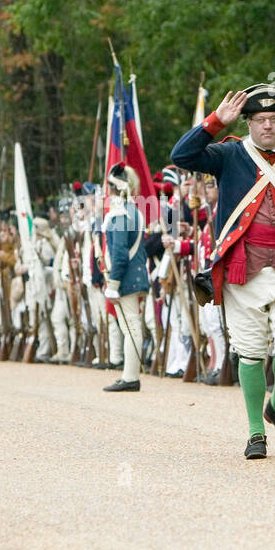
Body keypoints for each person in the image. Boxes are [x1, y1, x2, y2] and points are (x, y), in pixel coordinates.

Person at [170, 84, 275, 459]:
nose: (266, 126)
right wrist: (214, 122)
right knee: (249, 351)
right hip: (241, 266)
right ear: (248, 122)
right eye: (260, 119)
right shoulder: (229, 154)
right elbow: (181, 155)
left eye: (274, 119)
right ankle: (256, 431)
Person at [102, 163, 149, 392]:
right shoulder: (133, 210)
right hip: (133, 274)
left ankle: (131, 377)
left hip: (126, 277)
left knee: (131, 326)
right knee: (130, 325)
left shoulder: (120, 213)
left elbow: (120, 252)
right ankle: (129, 375)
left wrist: (113, 282)